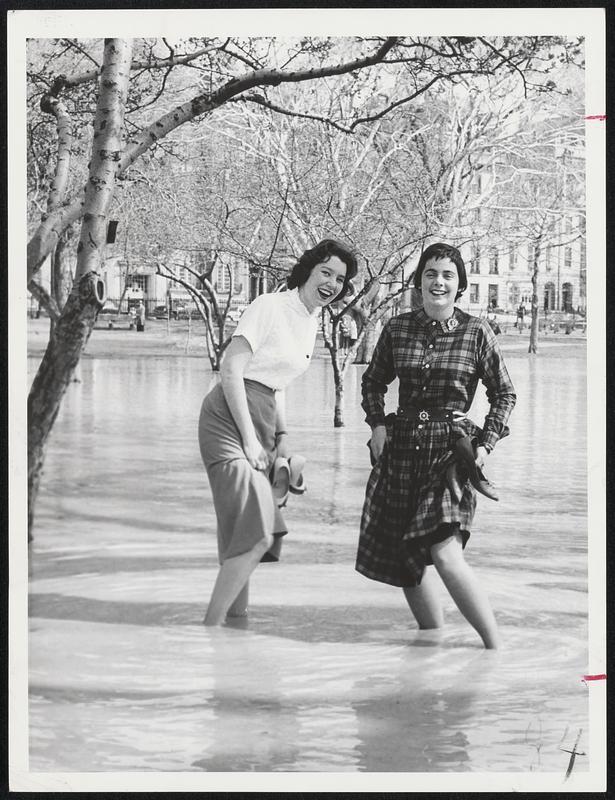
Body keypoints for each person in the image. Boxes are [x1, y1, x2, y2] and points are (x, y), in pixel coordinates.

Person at [356, 242, 516, 649]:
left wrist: (486, 444)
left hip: (451, 453)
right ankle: (429, 651)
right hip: (402, 449)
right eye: (431, 273)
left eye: (447, 275)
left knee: (445, 554)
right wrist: (376, 425)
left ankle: (496, 650)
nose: (438, 282)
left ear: (459, 284)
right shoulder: (396, 328)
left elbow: (505, 394)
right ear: (419, 281)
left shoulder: (477, 331)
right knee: (406, 557)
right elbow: (373, 382)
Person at [199, 239, 358, 626]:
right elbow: (230, 369)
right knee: (258, 531)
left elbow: (278, 381)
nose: (332, 283)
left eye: (340, 279)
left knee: (241, 532)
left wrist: (281, 436)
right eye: (326, 272)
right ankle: (210, 631)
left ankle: (236, 626)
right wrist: (250, 441)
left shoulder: (311, 320)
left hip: (265, 419)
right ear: (308, 269)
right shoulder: (269, 305)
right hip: (227, 421)